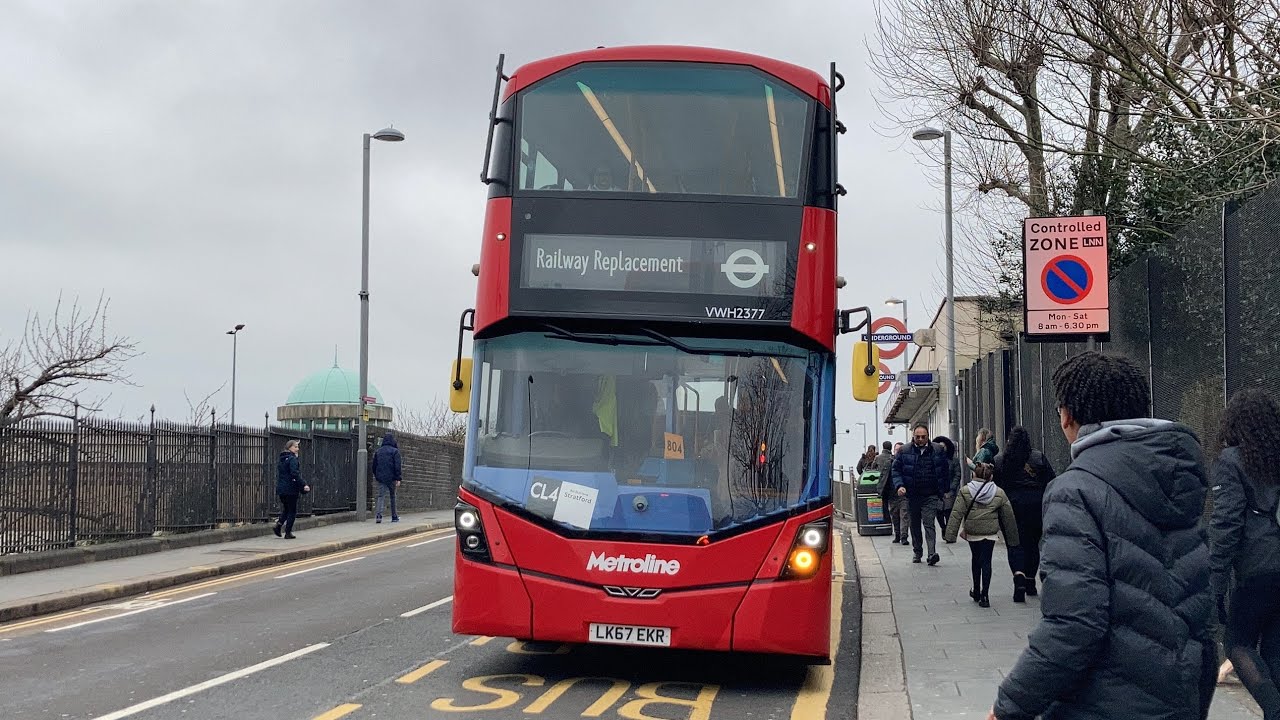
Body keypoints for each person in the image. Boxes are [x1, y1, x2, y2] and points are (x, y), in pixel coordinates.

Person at [990, 352, 1215, 720]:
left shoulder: (1076, 490)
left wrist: (1010, 706)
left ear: (1067, 416)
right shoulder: (1182, 476)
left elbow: (1074, 623)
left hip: (1101, 702)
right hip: (1181, 697)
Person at [1210, 388, 1280, 719]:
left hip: (1257, 567)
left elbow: (1227, 525)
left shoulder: (1232, 461)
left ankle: (1274, 709)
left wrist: (1215, 581)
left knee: (1237, 641)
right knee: (1275, 651)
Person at [991, 426, 1056, 602]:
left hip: (1010, 506)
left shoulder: (1000, 460)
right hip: (1035, 506)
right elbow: (1050, 480)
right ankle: (1030, 582)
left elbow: (995, 486)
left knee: (1014, 544)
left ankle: (1018, 575)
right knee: (1033, 544)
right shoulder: (1037, 457)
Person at [944, 461, 1018, 608]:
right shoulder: (998, 492)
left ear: (974, 474)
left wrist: (950, 535)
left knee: (976, 559)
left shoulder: (965, 491)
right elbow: (1008, 517)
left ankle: (976, 590)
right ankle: (985, 595)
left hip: (973, 531)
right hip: (990, 532)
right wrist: (1013, 539)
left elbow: (957, 514)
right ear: (991, 477)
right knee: (986, 561)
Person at [892, 423, 950, 565]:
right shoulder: (904, 451)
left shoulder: (937, 450)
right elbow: (896, 470)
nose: (920, 439)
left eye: (923, 437)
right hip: (912, 495)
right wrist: (900, 486)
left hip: (930, 494)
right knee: (915, 525)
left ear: (928, 436)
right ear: (913, 436)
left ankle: (931, 553)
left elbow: (944, 470)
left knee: (929, 523)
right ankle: (917, 551)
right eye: (917, 437)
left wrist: (944, 490)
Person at [274, 440, 309, 539]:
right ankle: (288, 532)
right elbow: (294, 474)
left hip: (282, 489)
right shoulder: (292, 459)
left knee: (286, 509)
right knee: (292, 511)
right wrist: (303, 485)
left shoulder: (282, 459)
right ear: (290, 448)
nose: (298, 449)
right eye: (296, 447)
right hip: (291, 489)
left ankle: (278, 526)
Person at [873, 441, 906, 543]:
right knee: (895, 515)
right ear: (893, 450)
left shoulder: (907, 463)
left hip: (904, 494)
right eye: (897, 450)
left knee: (904, 515)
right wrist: (880, 490)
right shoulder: (889, 462)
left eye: (900, 450)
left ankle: (904, 537)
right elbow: (883, 477)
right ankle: (897, 535)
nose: (898, 452)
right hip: (892, 494)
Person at [933, 435, 962, 539]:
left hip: (949, 491)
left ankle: (949, 534)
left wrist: (952, 488)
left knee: (948, 512)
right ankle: (943, 527)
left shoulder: (953, 460)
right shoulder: (933, 460)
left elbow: (957, 475)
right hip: (937, 491)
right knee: (938, 512)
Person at [372, 430, 403, 523]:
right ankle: (394, 516)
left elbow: (374, 465)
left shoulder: (378, 451)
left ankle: (378, 515)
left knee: (381, 496)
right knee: (392, 496)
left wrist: (377, 475)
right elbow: (397, 466)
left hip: (381, 478)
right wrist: (398, 478)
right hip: (392, 478)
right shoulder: (395, 452)